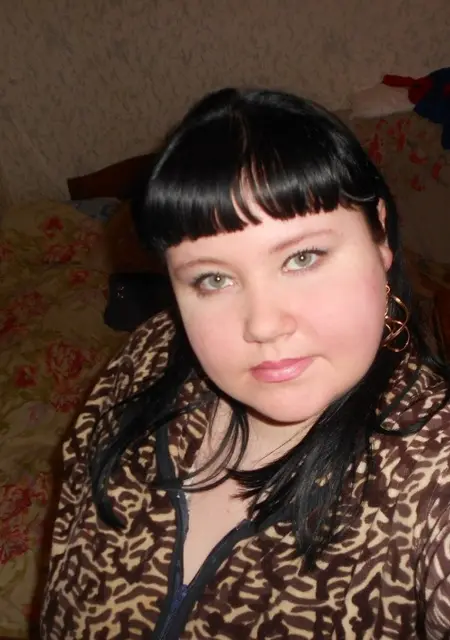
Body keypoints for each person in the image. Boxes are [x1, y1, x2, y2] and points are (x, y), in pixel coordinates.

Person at [40, 88, 450, 639]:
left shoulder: (433, 476)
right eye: (213, 278)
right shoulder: (148, 355)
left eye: (302, 257)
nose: (263, 324)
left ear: (379, 236)